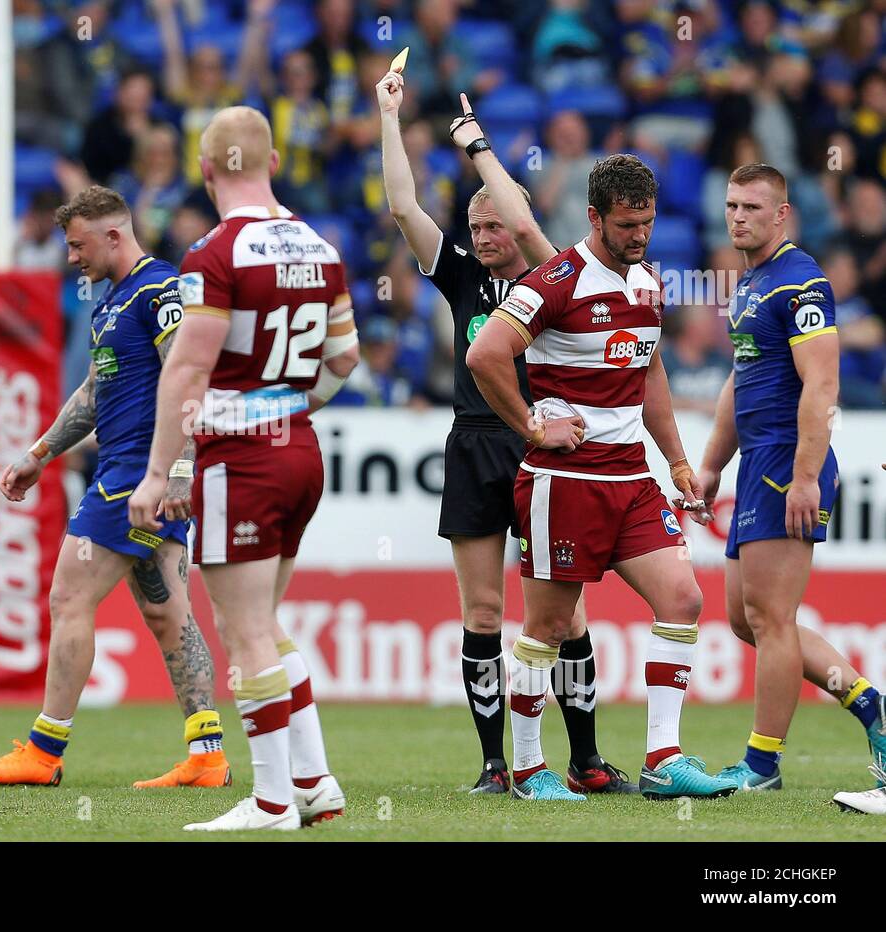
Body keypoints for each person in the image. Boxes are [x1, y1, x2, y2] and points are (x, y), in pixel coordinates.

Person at [379, 72, 635, 795]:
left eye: (496, 226)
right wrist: (387, 115)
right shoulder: (462, 278)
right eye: (476, 228)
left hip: (545, 446)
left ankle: (584, 758)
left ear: (517, 225)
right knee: (484, 611)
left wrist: (477, 149)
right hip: (473, 444)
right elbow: (402, 204)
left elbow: (526, 225)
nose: (484, 238)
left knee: (566, 612)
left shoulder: (556, 277)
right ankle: (497, 765)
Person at [466, 153, 738, 802]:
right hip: (564, 482)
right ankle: (530, 770)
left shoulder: (648, 282)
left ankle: (663, 759)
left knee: (684, 600)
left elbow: (650, 372)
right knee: (548, 630)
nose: (639, 235)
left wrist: (675, 459)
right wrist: (532, 425)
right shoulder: (555, 280)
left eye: (646, 222)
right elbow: (485, 354)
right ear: (594, 218)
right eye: (625, 225)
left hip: (632, 478)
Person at [128, 106, 359, 831]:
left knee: (244, 632)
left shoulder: (213, 255)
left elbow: (189, 368)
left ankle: (269, 804)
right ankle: (314, 781)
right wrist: (291, 409)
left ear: (204, 169)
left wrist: (159, 471)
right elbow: (345, 358)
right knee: (261, 621)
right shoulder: (322, 248)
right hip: (299, 448)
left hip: (244, 460)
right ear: (275, 162)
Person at [0, 185, 231, 790]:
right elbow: (92, 393)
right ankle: (208, 756)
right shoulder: (111, 303)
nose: (70, 257)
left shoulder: (159, 290)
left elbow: (190, 376)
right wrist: (41, 453)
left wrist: (179, 472)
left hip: (136, 475)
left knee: (68, 599)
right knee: (170, 617)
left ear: (114, 235)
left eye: (78, 244)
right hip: (144, 474)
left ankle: (43, 750)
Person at [696, 163, 886, 791]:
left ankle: (761, 764)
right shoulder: (750, 284)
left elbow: (823, 383)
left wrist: (807, 475)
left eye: (752, 207)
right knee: (745, 619)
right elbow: (738, 379)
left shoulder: (802, 281)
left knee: (771, 616)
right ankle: (864, 701)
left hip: (786, 462)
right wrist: (711, 464)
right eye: (731, 206)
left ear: (782, 214)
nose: (738, 216)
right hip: (755, 463)